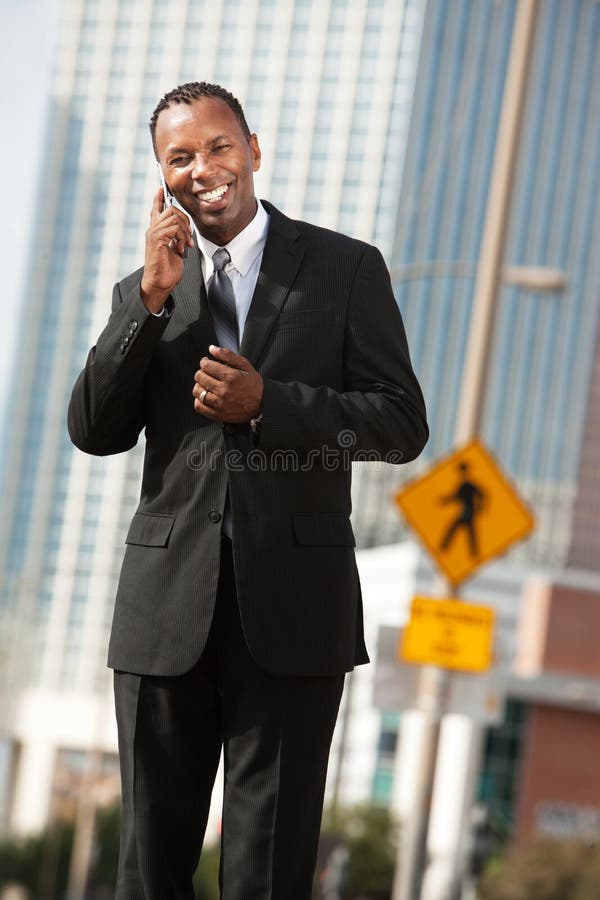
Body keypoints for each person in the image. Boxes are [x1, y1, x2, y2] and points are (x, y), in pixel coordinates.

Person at [68, 81, 428, 900]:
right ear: (163, 178)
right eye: (179, 158)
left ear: (253, 150)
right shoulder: (147, 289)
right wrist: (148, 301)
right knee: (147, 870)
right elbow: (94, 429)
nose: (203, 169)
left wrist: (270, 404)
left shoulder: (345, 269)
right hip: (164, 613)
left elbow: (399, 426)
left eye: (218, 146)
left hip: (296, 611)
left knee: (267, 873)